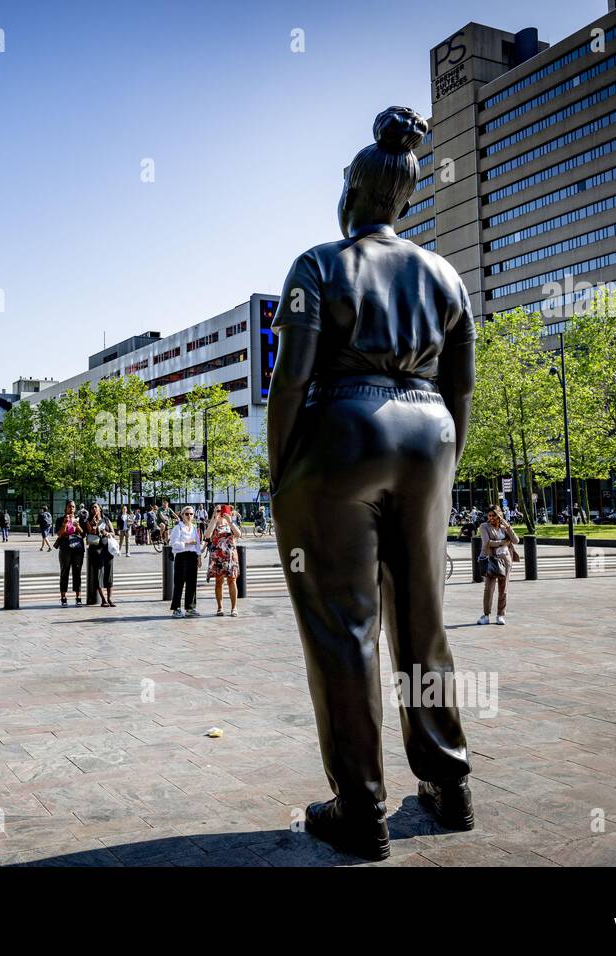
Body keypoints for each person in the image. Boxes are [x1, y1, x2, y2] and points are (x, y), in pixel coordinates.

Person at [267, 107, 477, 859]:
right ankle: (449, 784)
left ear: (352, 191)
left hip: (342, 439)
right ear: (406, 200)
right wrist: (444, 468)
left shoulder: (318, 264)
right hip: (429, 438)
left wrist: (281, 469)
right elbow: (462, 392)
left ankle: (361, 808)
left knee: (345, 630)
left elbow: (289, 383)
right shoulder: (446, 274)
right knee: (424, 623)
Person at [477, 507, 520, 625]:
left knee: (503, 589)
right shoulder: (484, 526)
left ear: (499, 516)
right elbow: (487, 542)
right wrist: (504, 542)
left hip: (505, 561)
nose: (490, 518)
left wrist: (508, 527)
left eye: (493, 516)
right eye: (489, 515)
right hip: (491, 560)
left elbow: (516, 540)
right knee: (489, 589)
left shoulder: (503, 527)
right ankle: (486, 615)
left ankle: (500, 615)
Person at [205, 504, 242, 616]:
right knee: (218, 581)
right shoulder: (214, 522)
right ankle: (220, 607)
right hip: (217, 555)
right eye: (218, 510)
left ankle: (234, 608)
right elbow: (207, 535)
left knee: (232, 580)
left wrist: (230, 521)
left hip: (230, 556)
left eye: (222, 510)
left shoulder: (230, 523)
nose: (220, 512)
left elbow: (238, 534)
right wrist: (214, 518)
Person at [169, 506, 203, 617]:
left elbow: (197, 544)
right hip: (181, 556)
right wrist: (187, 542)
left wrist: (199, 557)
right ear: (182, 515)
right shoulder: (178, 527)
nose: (189, 516)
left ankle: (190, 607)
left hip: (192, 556)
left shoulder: (194, 527)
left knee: (192, 582)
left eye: (191, 514)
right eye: (186, 514)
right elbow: (173, 544)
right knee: (179, 582)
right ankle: (176, 608)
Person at [84, 503, 116, 607]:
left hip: (107, 550)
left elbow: (113, 533)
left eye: (95, 507)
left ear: (100, 509)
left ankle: (109, 599)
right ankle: (103, 599)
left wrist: (106, 533)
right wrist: (95, 525)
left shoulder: (106, 520)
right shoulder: (89, 521)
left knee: (108, 573)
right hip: (95, 550)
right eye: (92, 508)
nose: (93, 509)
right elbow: (90, 531)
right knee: (98, 575)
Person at [55, 500, 85, 607]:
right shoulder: (60, 520)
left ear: (75, 508)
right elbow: (58, 534)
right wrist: (64, 524)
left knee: (77, 573)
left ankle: (78, 597)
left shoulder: (79, 519)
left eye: (73, 507)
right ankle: (63, 597)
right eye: (69, 507)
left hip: (78, 549)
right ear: (65, 508)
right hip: (65, 549)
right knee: (64, 572)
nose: (71, 509)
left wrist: (78, 527)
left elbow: (84, 534)